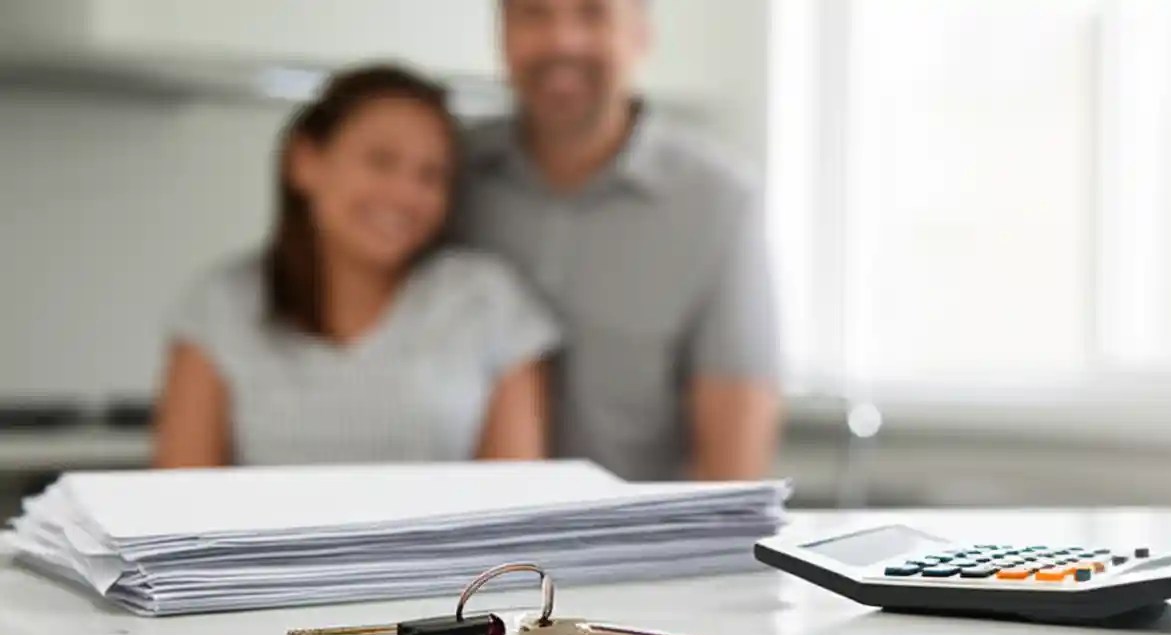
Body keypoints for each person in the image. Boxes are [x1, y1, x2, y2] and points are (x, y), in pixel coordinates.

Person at [153, 66, 559, 468]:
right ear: (305, 163)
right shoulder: (220, 306)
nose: (404, 194)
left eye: (430, 175)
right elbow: (176, 500)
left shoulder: (488, 301)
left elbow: (516, 503)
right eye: (380, 162)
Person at [461, 0, 781, 481]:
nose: (562, 41)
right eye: (533, 14)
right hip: (467, 546)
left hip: (647, 547)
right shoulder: (442, 178)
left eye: (592, 14)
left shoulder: (717, 201)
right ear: (502, 34)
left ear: (640, 35)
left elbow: (733, 464)